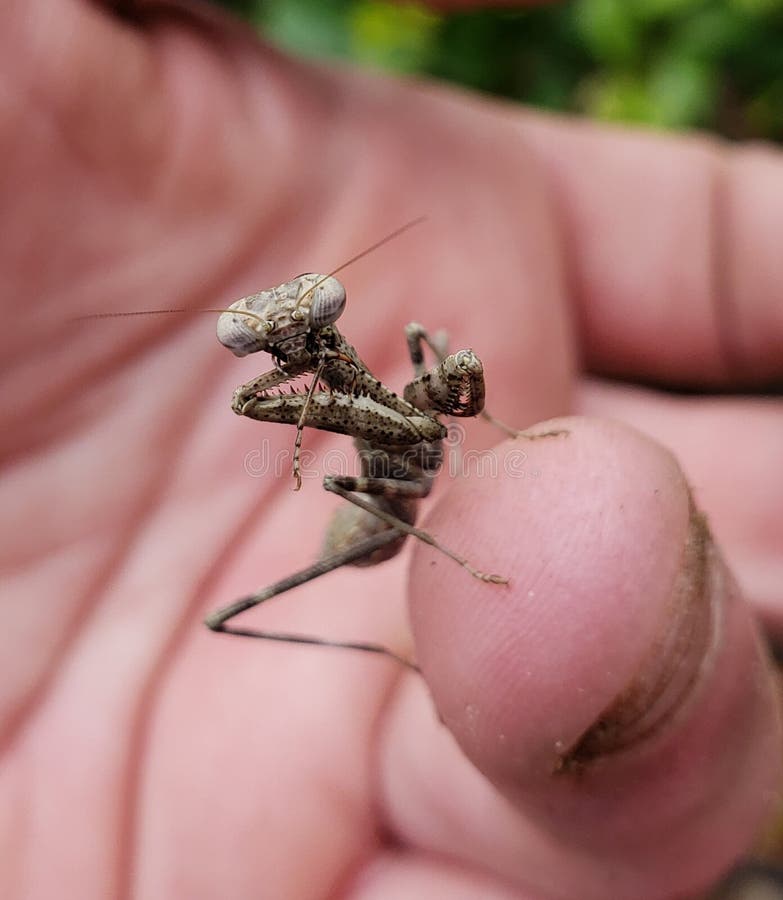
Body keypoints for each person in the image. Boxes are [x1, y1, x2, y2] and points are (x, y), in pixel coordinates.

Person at [2, 1, 781, 896]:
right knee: (242, 602)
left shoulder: (352, 376)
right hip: (372, 529)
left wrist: (479, 428)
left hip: (392, 458)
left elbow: (407, 400)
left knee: (439, 345)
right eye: (279, 336)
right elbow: (292, 415)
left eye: (307, 318)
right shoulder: (300, 406)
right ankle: (397, 631)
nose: (297, 339)